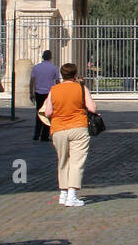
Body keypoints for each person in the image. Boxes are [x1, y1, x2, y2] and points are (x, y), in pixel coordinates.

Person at [39, 62, 96, 207]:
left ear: (61, 75)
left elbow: (48, 112)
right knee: (76, 162)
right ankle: (72, 194)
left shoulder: (54, 90)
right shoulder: (81, 88)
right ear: (75, 75)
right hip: (78, 127)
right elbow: (92, 108)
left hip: (58, 129)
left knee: (63, 160)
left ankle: (63, 194)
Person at [29, 50, 59, 142]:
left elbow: (32, 81)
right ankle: (44, 135)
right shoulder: (53, 68)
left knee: (38, 113)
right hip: (49, 94)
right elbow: (57, 82)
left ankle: (36, 134)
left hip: (38, 92)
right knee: (48, 113)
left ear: (42, 57)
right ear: (50, 57)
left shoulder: (36, 67)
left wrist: (31, 92)